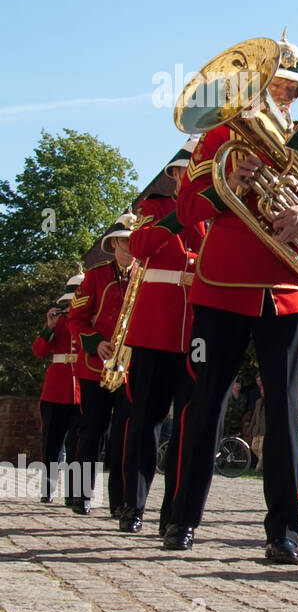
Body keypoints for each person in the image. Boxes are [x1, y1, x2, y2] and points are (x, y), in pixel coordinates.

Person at [168, 33, 298, 563]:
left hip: (285, 289)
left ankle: (284, 529)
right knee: (206, 403)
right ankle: (182, 518)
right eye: (272, 84)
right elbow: (187, 211)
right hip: (221, 286)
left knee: (285, 412)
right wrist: (226, 181)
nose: (279, 95)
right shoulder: (215, 139)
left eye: (288, 88)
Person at [118, 141, 205, 534]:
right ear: (171, 176)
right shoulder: (153, 209)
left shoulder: (216, 210)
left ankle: (174, 513)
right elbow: (140, 246)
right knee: (145, 420)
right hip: (155, 326)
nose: (187, 175)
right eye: (181, 170)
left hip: (195, 330)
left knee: (189, 426)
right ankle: (132, 504)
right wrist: (179, 217)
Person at [66, 214, 138, 516]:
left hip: (129, 367)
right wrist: (96, 343)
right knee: (92, 431)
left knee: (124, 435)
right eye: (124, 242)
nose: (129, 248)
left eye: (133, 242)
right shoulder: (95, 277)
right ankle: (80, 495)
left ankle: (120, 501)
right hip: (95, 366)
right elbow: (76, 320)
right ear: (114, 245)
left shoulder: (144, 276)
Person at [32, 274, 83, 503]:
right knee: (51, 443)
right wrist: (49, 327)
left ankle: (74, 494)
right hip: (56, 390)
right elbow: (40, 351)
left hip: (81, 389)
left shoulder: (89, 319)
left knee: (77, 446)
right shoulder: (57, 320)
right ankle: (47, 490)